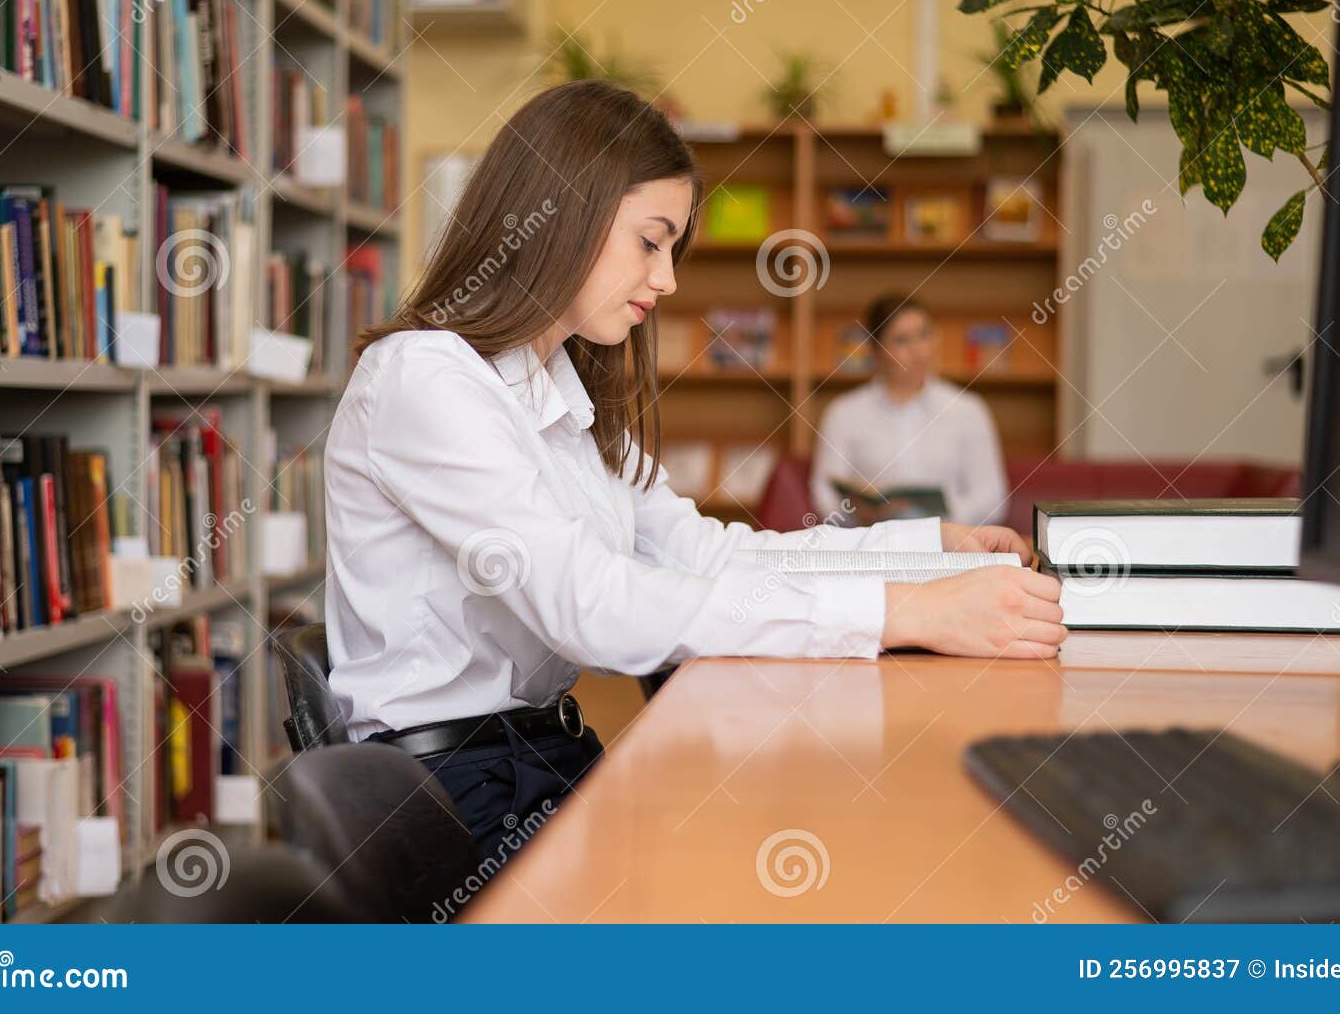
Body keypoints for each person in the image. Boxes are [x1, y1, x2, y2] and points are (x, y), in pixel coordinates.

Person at [323, 81, 1064, 868]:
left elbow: (710, 556)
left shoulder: (565, 399)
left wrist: (921, 555)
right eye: (651, 240)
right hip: (451, 799)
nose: (668, 278)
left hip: (542, 761)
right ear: (561, 212)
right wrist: (906, 613)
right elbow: (594, 609)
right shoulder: (425, 379)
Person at [811, 294, 1009, 527]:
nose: (919, 351)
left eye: (924, 335)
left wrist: (936, 523)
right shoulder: (843, 413)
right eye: (902, 340)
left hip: (949, 545)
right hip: (872, 543)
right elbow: (824, 491)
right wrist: (857, 515)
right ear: (876, 351)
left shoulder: (968, 409)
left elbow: (992, 497)